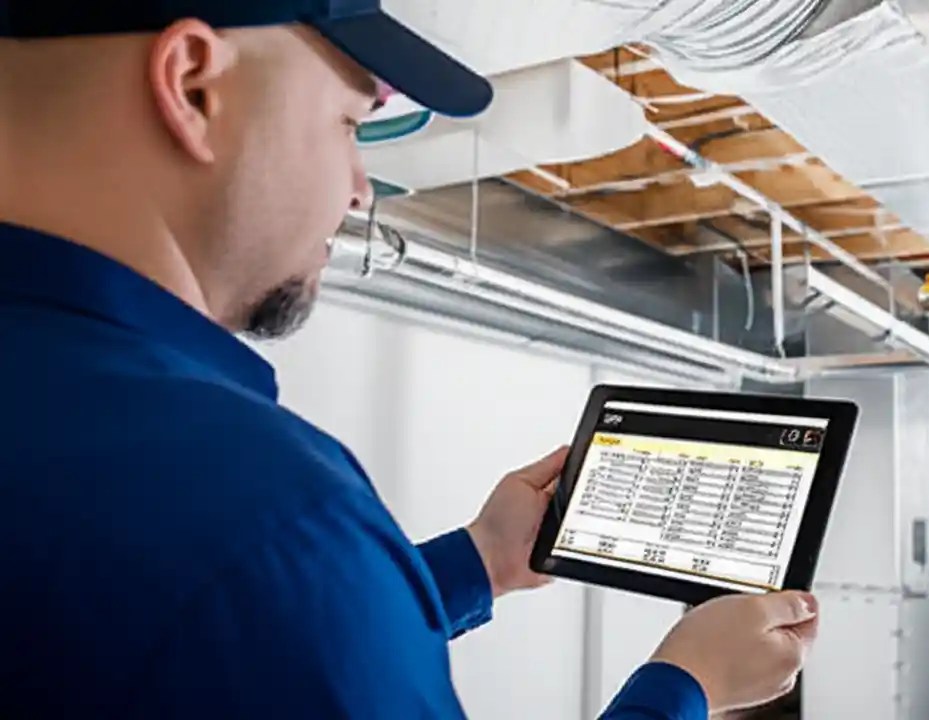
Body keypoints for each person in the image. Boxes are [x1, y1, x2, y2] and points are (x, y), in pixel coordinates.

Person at [0, 1, 821, 717]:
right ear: (193, 87)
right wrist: (687, 683)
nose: (360, 188)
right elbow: (251, 606)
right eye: (350, 123)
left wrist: (481, 560)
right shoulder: (264, 519)